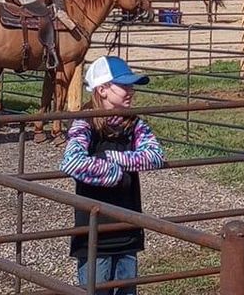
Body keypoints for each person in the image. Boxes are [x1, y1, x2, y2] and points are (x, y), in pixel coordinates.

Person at [60, 56, 165, 294]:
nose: (131, 91)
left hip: (128, 228)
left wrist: (113, 158)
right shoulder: (84, 124)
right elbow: (72, 161)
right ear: (103, 90)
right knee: (95, 288)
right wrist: (116, 174)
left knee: (127, 289)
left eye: (131, 85)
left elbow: (155, 155)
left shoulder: (134, 124)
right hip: (94, 231)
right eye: (124, 85)